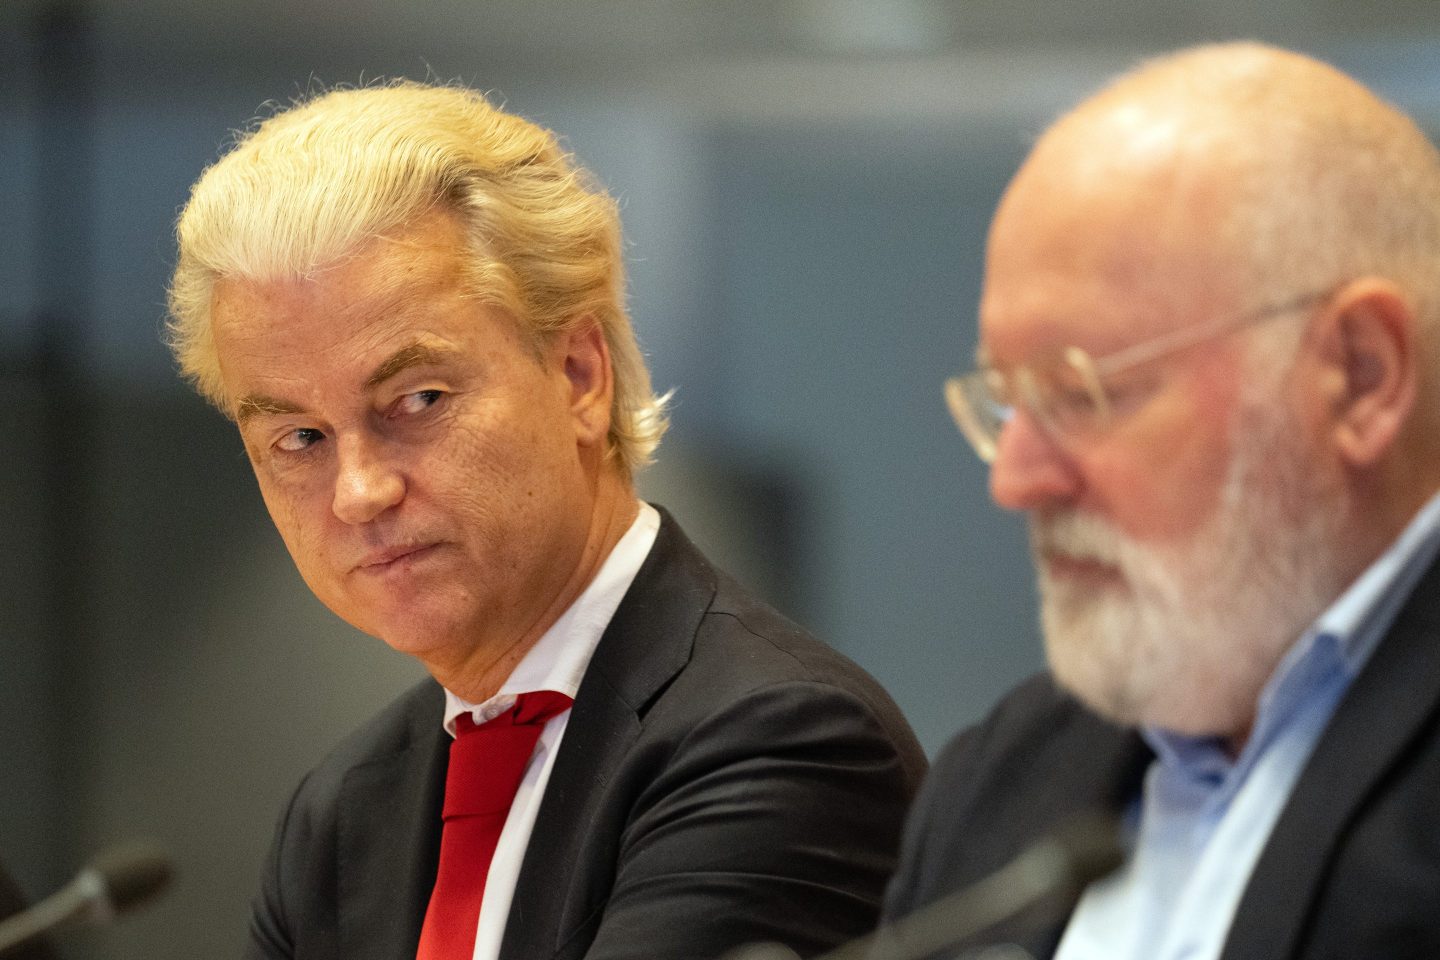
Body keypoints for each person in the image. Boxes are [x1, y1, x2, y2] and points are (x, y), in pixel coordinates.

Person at [167, 81, 925, 960]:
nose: (359, 491)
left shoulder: (780, 742)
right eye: (300, 436)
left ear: (578, 375)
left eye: (418, 398)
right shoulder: (343, 812)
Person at [882, 42, 1440, 960]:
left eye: (1082, 391)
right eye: (1006, 401)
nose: (1015, 478)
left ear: (1359, 375)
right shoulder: (998, 782)